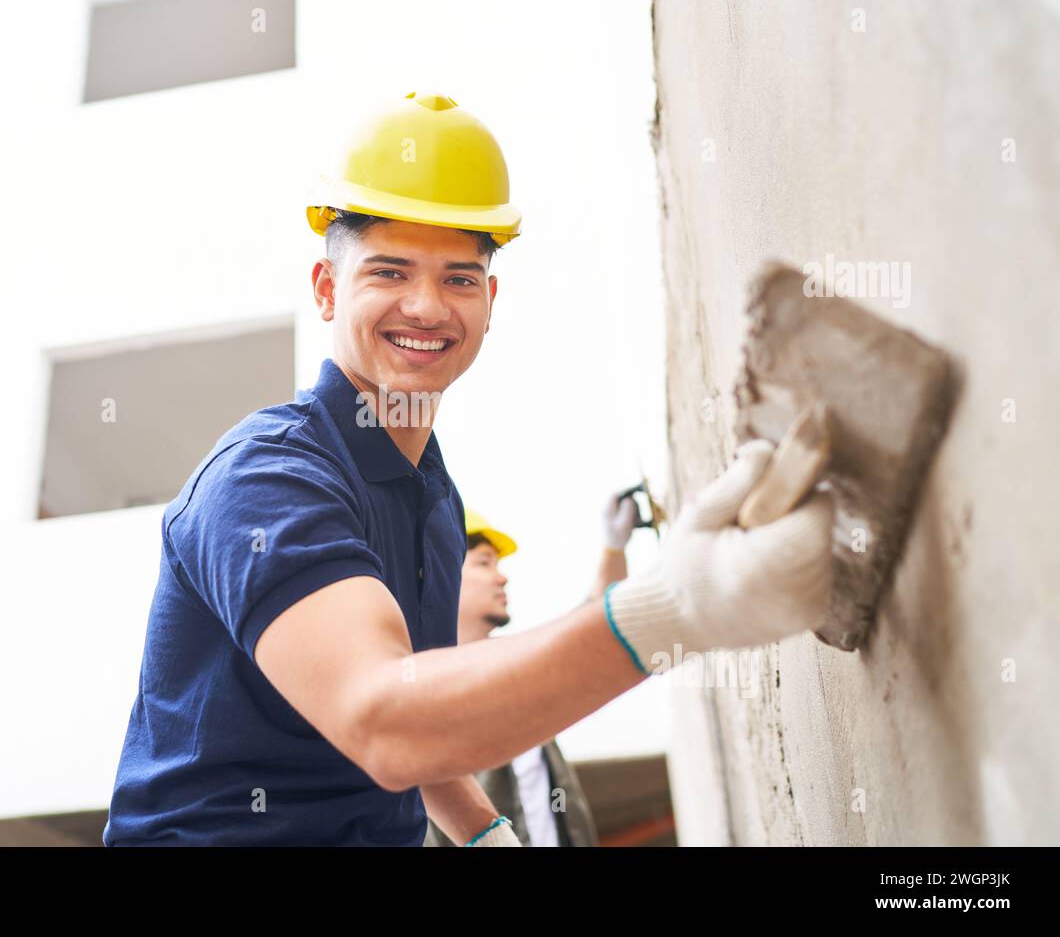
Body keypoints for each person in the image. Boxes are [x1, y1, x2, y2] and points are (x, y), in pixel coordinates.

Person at [102, 90, 833, 847]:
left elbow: (421, 697)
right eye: (389, 271)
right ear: (326, 290)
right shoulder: (266, 482)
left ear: (490, 299)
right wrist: (674, 608)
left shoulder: (435, 502)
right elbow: (386, 721)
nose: (425, 306)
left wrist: (485, 832)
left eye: (457, 278)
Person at [423, 501, 638, 847]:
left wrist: (614, 547)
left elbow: (590, 630)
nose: (502, 575)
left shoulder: (513, 667)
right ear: (444, 571)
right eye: (484, 562)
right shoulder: (420, 692)